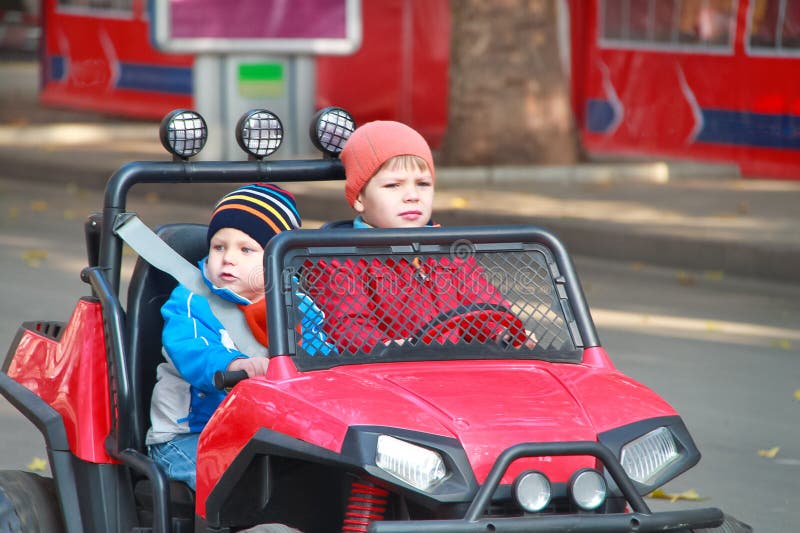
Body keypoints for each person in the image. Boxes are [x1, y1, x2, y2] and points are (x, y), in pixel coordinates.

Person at [146, 183, 332, 491]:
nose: (228, 258)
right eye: (219, 247)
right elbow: (192, 350)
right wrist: (234, 365)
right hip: (192, 434)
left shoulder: (298, 306)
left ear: (277, 261)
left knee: (326, 480)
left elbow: (321, 354)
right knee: (235, 491)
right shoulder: (191, 300)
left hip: (264, 435)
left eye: (246, 250)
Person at [305, 121, 532, 353]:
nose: (412, 195)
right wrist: (388, 348)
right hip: (385, 368)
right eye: (393, 185)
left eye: (423, 184)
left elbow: (482, 304)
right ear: (359, 198)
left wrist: (503, 332)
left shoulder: (449, 251)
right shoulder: (340, 259)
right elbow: (348, 324)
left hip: (450, 365)